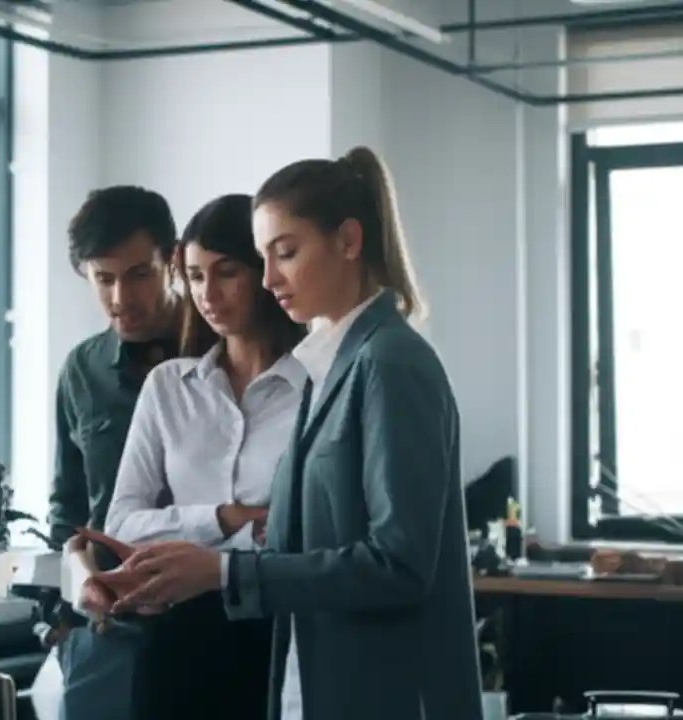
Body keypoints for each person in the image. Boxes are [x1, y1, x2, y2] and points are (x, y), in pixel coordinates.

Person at [108, 148, 484, 720]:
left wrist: (223, 569)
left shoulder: (390, 363)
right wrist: (177, 573)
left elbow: (401, 564)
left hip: (381, 691)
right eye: (263, 258)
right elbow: (299, 545)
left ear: (349, 241)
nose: (269, 279)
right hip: (315, 680)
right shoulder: (328, 365)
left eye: (285, 253)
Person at [95, 193, 305, 720]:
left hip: (280, 634)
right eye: (193, 276)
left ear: (263, 273)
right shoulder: (168, 386)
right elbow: (122, 523)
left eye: (226, 272)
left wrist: (203, 549)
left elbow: (298, 535)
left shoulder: (316, 389)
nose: (207, 293)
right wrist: (227, 518)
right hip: (176, 637)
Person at [47, 185, 182, 720]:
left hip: (208, 619)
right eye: (104, 279)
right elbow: (68, 506)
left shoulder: (223, 351)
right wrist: (65, 614)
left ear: (172, 261)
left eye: (139, 274)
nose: (121, 297)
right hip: (107, 626)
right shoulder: (81, 370)